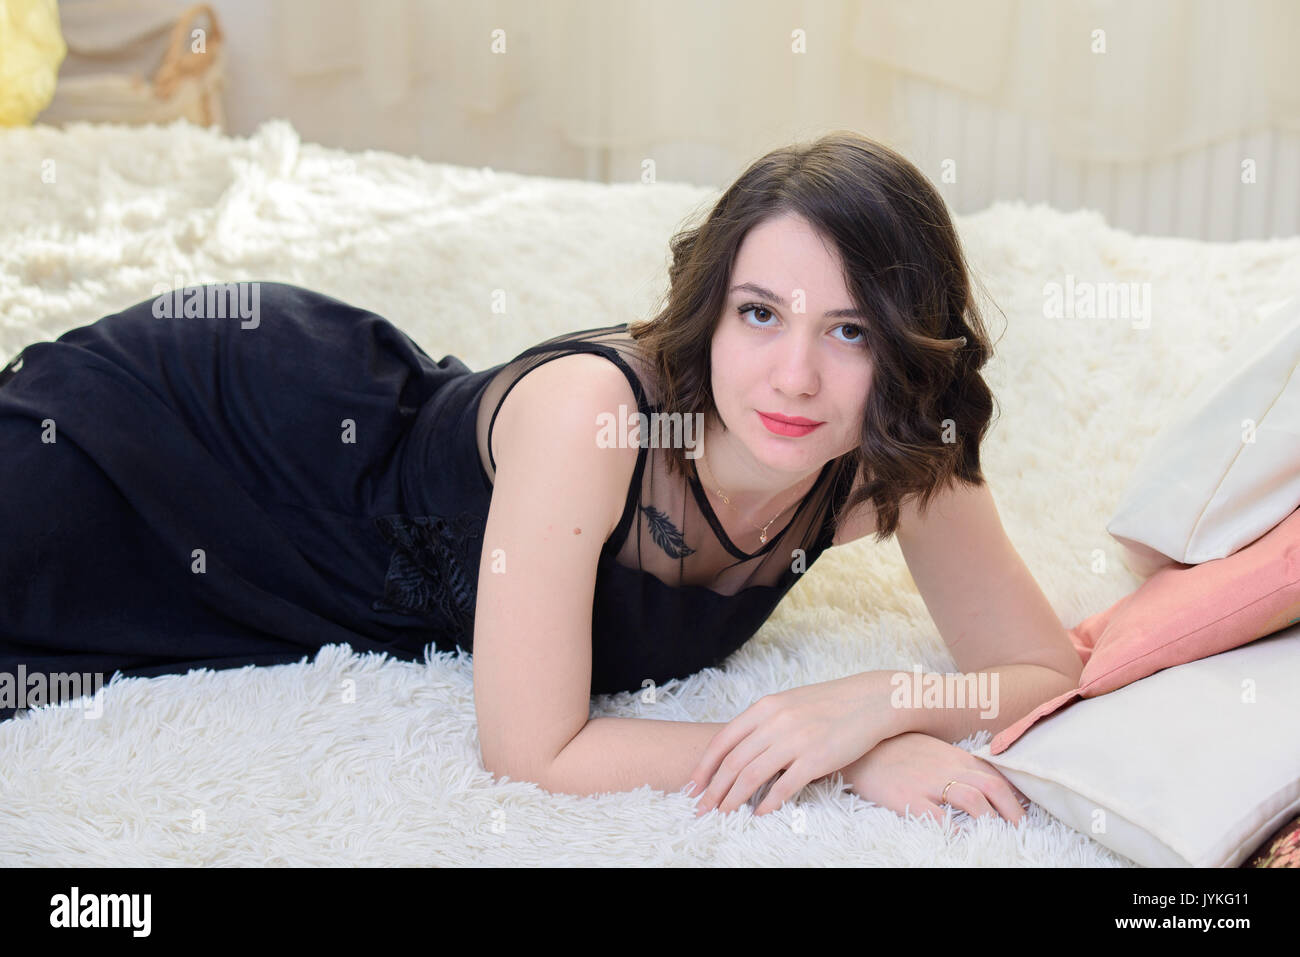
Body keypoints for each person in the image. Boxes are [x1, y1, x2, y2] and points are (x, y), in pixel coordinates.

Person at [0, 130, 1081, 826]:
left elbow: (1039, 665)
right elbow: (534, 751)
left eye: (848, 329)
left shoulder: (896, 452)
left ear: (903, 346)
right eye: (760, 313)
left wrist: (878, 704)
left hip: (292, 562)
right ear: (712, 308)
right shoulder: (595, 415)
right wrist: (837, 764)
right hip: (192, 435)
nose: (794, 375)